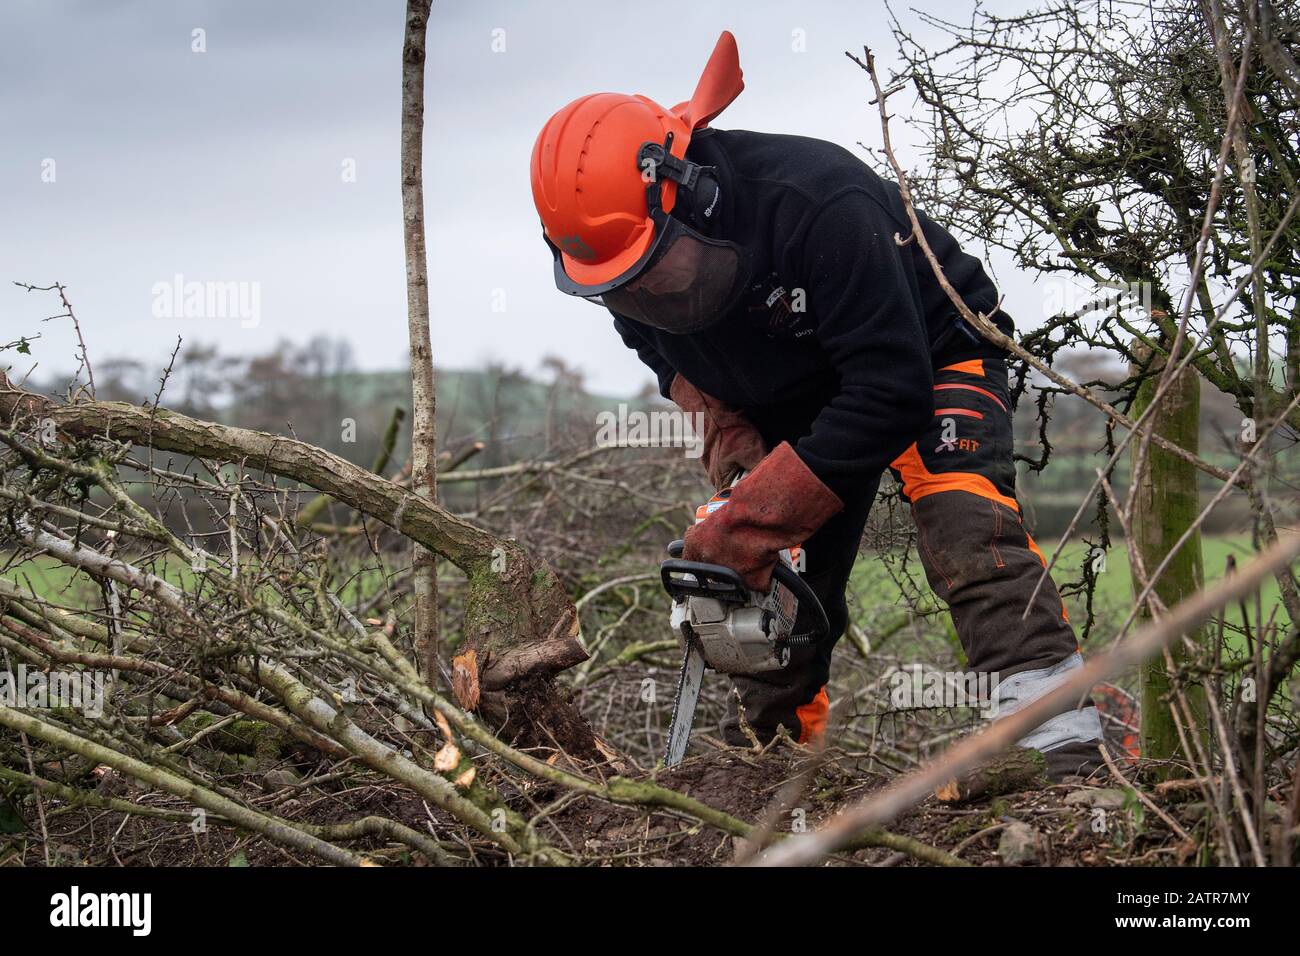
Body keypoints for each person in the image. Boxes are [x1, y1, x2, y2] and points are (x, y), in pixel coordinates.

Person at [529, 32, 1102, 778]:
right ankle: (768, 770)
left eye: (650, 271)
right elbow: (661, 353)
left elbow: (889, 391)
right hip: (786, 391)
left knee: (964, 524)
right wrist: (725, 429)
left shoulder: (814, 199)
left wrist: (759, 511)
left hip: (923, 356)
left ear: (687, 190)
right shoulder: (620, 261)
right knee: (770, 589)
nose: (639, 296)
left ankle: (1057, 745)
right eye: (618, 285)